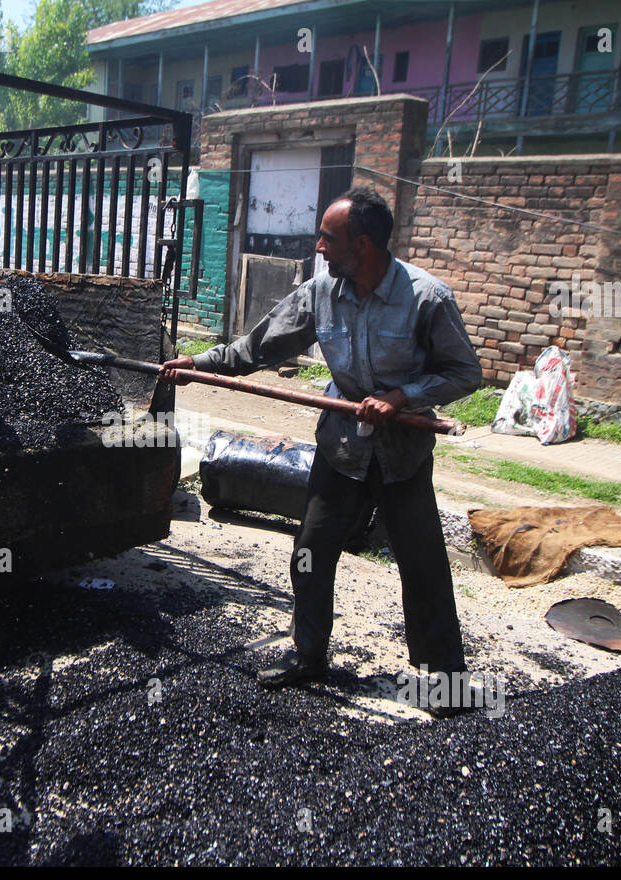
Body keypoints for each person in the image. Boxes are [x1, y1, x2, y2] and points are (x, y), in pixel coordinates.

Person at [161, 186, 483, 712]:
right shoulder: (320, 292)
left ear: (362, 245)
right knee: (310, 554)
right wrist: (201, 364)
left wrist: (403, 397)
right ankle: (308, 655)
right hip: (341, 449)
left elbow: (464, 372)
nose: (318, 246)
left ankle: (442, 682)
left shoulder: (427, 298)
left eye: (328, 238)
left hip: (402, 457)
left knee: (423, 568)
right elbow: (258, 346)